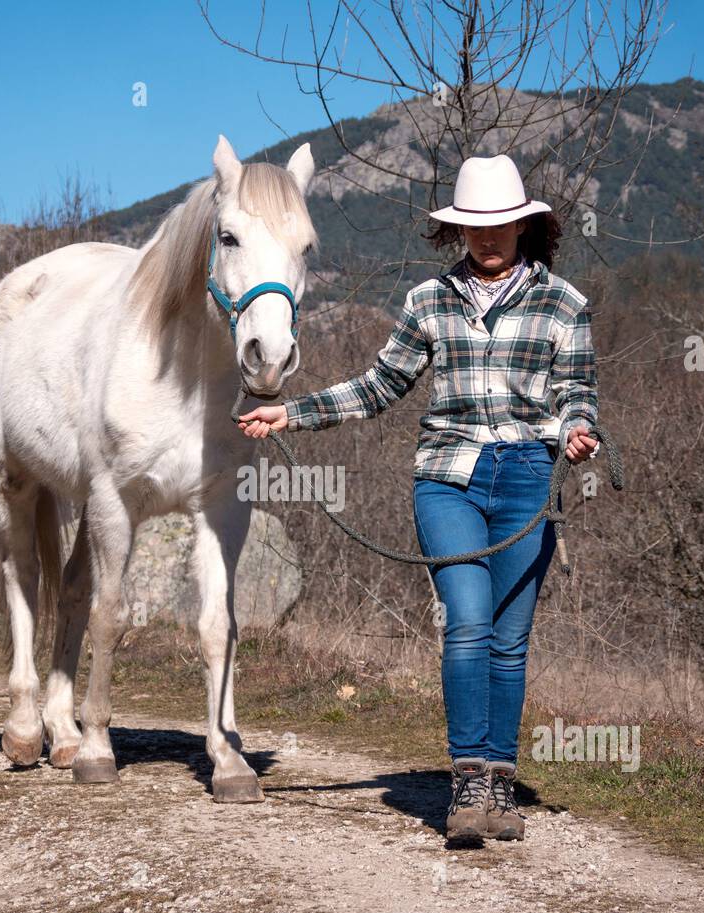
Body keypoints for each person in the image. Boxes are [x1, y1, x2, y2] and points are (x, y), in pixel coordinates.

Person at [237, 155, 599, 843]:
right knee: (466, 619)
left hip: (527, 474)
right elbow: (379, 386)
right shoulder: (429, 302)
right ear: (456, 231)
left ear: (525, 224)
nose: (488, 240)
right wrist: (294, 413)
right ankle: (465, 786)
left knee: (510, 640)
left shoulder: (565, 305)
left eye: (500, 225)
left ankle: (498, 784)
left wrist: (580, 430)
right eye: (474, 227)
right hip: (448, 478)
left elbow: (579, 394)